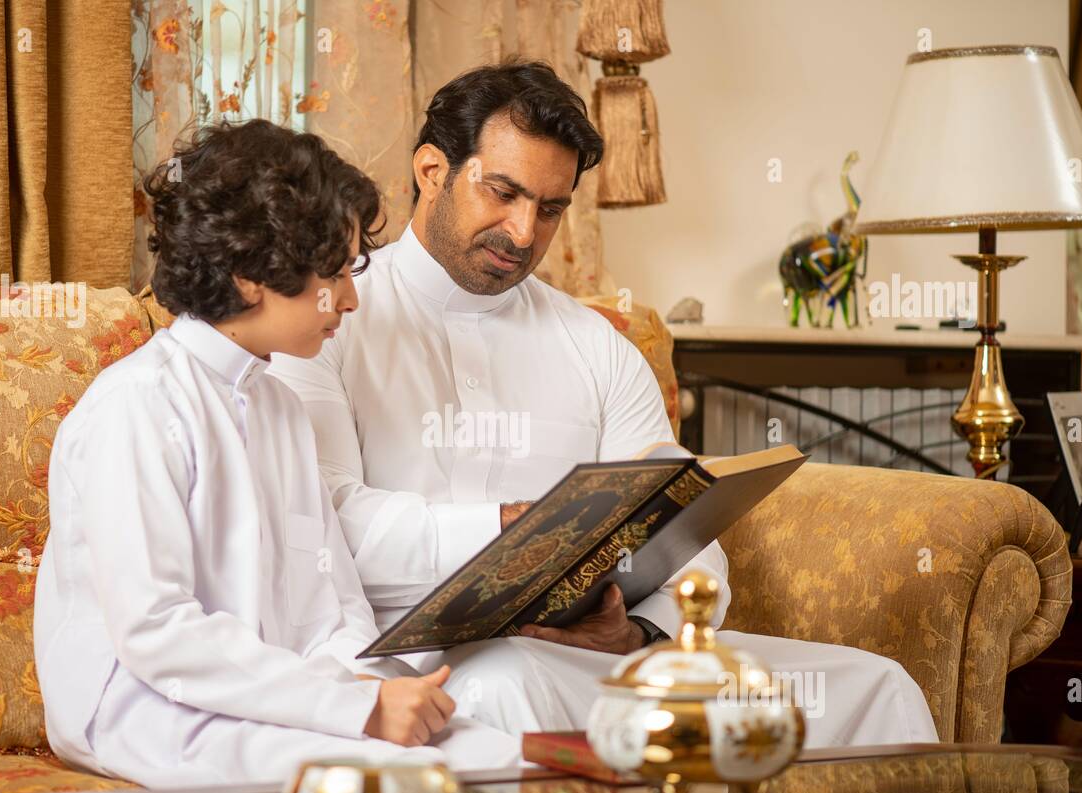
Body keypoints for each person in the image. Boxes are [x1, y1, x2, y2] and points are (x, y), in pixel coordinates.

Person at [270, 59, 940, 749]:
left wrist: (636, 629)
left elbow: (683, 524)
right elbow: (326, 522)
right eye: (503, 193)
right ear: (433, 170)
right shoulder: (325, 317)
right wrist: (507, 527)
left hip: (600, 663)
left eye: (552, 208)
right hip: (426, 670)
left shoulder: (597, 343)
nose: (526, 233)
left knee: (875, 686)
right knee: (504, 684)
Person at [33, 119, 523, 789]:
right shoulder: (135, 407)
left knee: (500, 757)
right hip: (142, 704)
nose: (350, 299)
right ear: (248, 274)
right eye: (335, 275)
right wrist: (358, 708)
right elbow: (158, 634)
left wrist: (383, 692)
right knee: (408, 782)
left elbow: (333, 613)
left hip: (270, 694)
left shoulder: (281, 410)